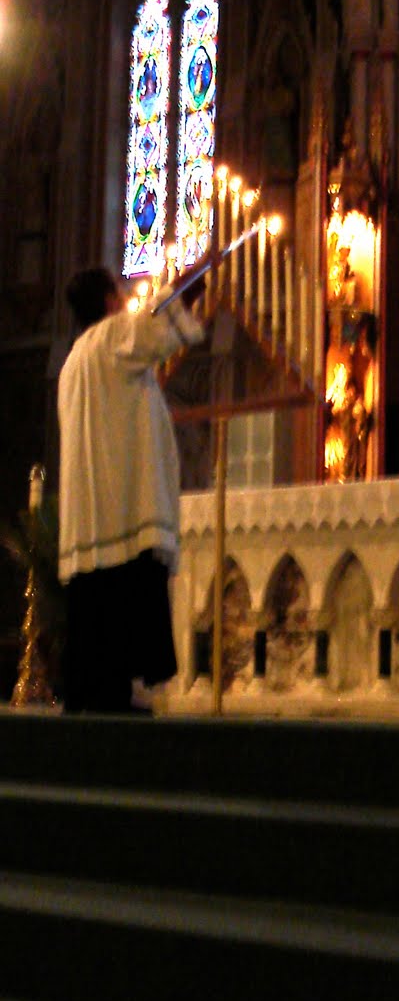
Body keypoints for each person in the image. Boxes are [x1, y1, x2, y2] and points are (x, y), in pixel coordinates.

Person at [57, 262, 207, 712]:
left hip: (88, 512)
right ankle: (112, 690)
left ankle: (91, 689)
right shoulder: (111, 337)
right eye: (120, 294)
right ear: (108, 302)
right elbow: (167, 333)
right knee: (124, 591)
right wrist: (183, 291)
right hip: (121, 502)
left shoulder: (71, 363)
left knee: (93, 603)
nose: (125, 300)